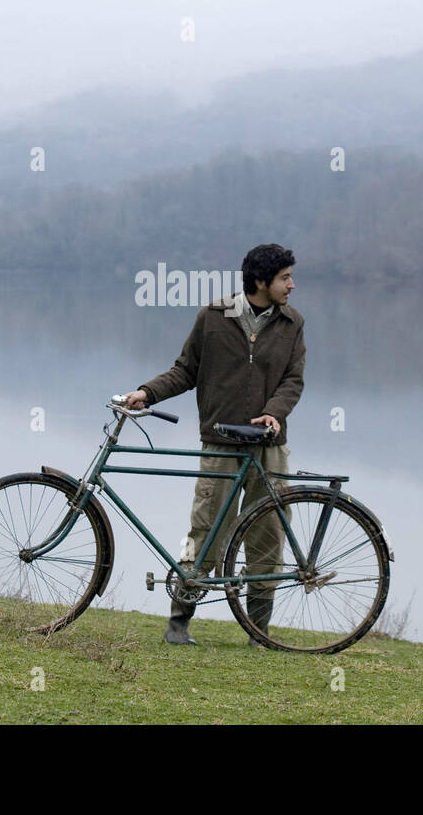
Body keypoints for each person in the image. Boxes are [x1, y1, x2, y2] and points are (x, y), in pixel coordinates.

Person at [123, 244, 304, 646]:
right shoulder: (213, 318)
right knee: (205, 531)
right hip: (220, 444)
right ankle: (178, 624)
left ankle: (259, 632)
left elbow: (293, 380)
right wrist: (146, 393)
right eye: (284, 277)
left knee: (267, 535)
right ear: (261, 282)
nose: (292, 284)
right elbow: (186, 370)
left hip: (268, 447)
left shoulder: (293, 323)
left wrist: (275, 412)